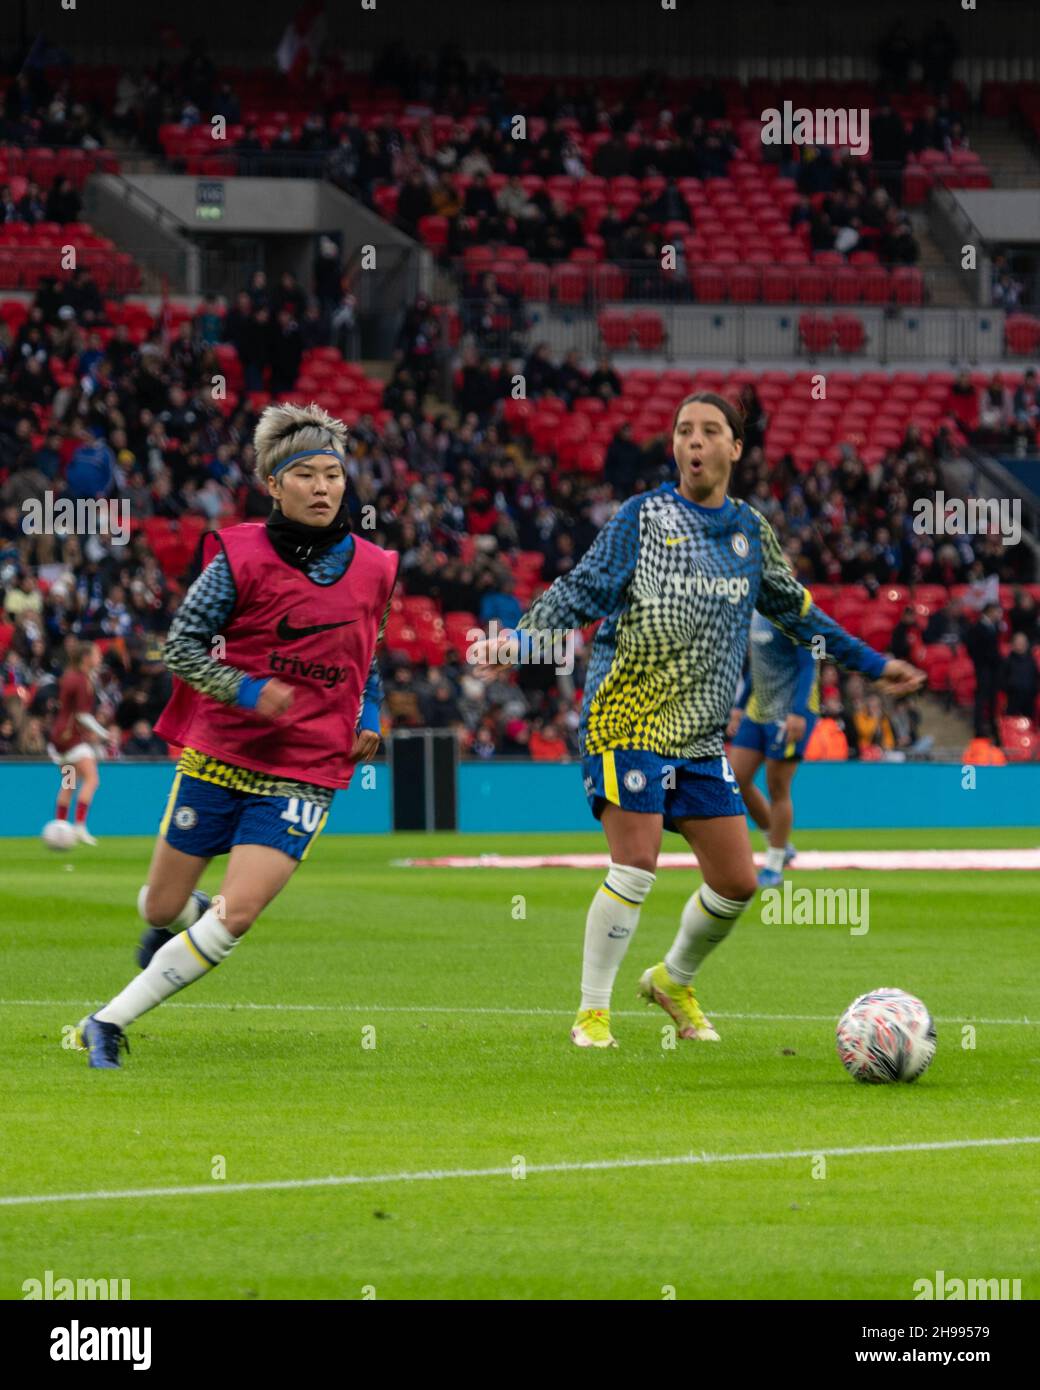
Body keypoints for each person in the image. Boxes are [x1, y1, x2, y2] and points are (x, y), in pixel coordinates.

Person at [476, 394, 924, 1049]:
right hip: (626, 717)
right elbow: (580, 590)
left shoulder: (749, 534)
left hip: (698, 735)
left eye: (710, 431)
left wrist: (875, 663)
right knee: (637, 863)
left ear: (735, 448)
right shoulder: (644, 517)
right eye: (685, 430)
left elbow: (802, 616)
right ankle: (592, 1012)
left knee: (738, 882)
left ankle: (672, 979)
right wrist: (518, 641)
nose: (695, 441)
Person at [76, 403, 399, 1069]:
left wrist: (369, 713)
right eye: (304, 475)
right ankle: (180, 917)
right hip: (222, 754)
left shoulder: (377, 567)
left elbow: (371, 651)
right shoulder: (238, 556)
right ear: (272, 485)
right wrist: (247, 690)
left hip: (306, 767)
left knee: (240, 912)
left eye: (332, 475)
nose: (321, 488)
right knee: (159, 904)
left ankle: (107, 1021)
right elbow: (181, 646)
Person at [727, 607, 818, 888]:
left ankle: (774, 864)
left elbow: (808, 666)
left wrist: (798, 711)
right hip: (759, 710)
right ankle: (778, 841)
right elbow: (759, 669)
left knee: (777, 786)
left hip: (788, 711)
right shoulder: (756, 615)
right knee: (736, 778)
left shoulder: (797, 615)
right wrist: (740, 707)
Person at [46, 640, 114, 845]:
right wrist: (103, 733)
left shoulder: (71, 676)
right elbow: (82, 715)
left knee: (70, 783)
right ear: (86, 658)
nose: (100, 657)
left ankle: (59, 827)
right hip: (71, 739)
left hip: (59, 739)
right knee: (92, 779)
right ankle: (80, 826)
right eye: (96, 654)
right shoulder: (81, 679)